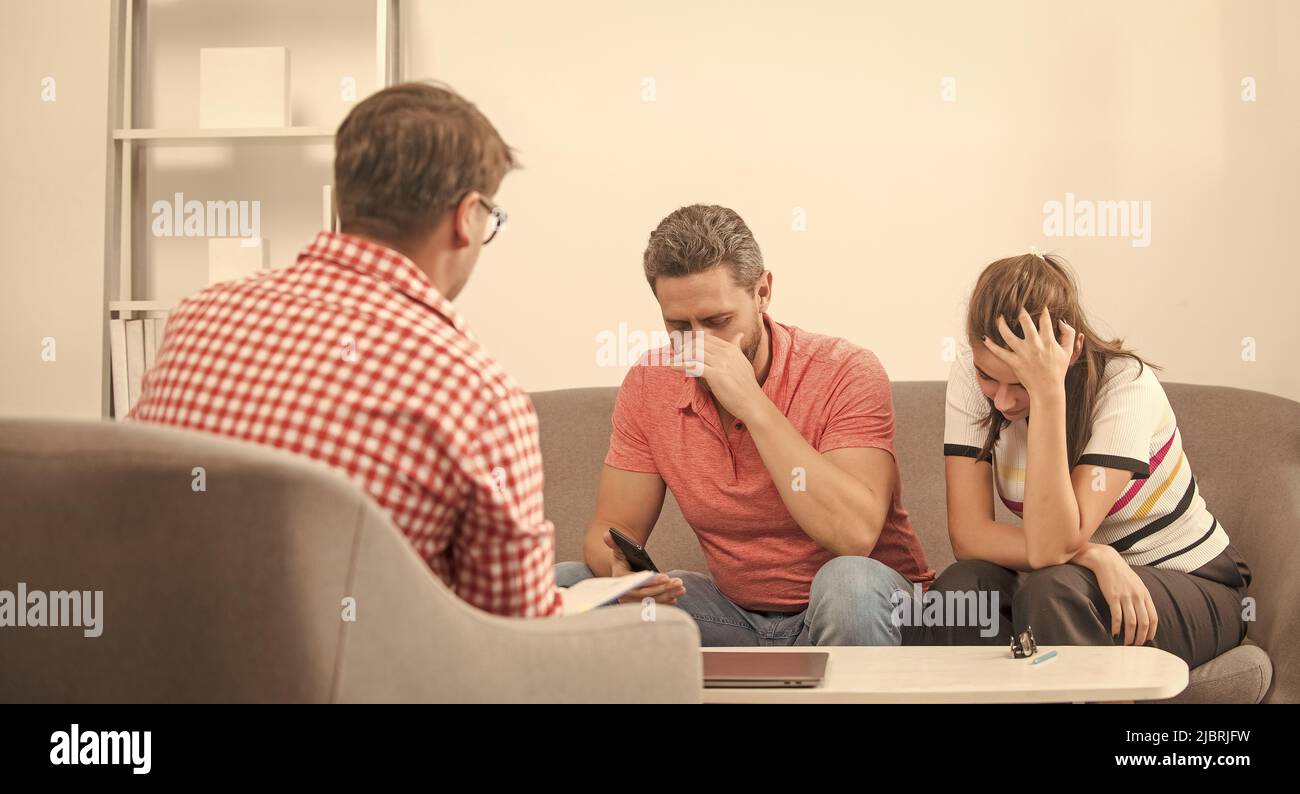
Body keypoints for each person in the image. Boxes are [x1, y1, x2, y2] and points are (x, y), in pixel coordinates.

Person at [130, 82, 562, 617]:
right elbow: (515, 637)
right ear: (465, 216)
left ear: (342, 197)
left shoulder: (196, 316)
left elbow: (129, 487)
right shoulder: (478, 394)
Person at [556, 204, 934, 646]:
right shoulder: (649, 384)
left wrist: (752, 404)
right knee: (567, 582)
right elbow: (610, 530)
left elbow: (853, 536)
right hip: (734, 616)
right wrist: (621, 575)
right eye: (678, 326)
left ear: (762, 292)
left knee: (846, 583)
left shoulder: (846, 370)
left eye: (717, 322)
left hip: (865, 604)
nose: (699, 343)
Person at [929, 251, 1251, 667]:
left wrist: (1047, 394)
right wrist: (1095, 555)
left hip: (1188, 579)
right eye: (989, 376)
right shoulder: (969, 377)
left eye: (1021, 383)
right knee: (963, 590)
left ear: (1072, 348)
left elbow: (1051, 546)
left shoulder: (1127, 387)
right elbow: (969, 536)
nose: (1004, 399)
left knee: (1055, 591)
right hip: (1074, 576)